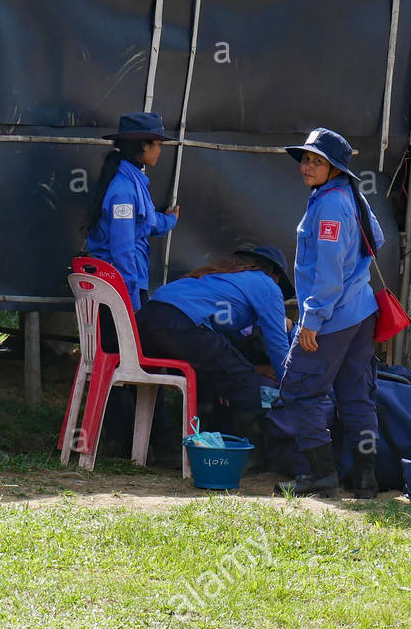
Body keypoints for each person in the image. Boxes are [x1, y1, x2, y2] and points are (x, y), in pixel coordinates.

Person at [269, 128, 383, 499]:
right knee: (355, 394)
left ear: (335, 167)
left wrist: (311, 320)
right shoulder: (349, 194)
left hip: (333, 316)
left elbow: (329, 271)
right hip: (362, 310)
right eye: (305, 158)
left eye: (318, 161)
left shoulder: (330, 204)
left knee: (301, 390)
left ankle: (320, 475)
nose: (307, 166)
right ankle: (365, 479)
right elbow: (375, 240)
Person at [136, 245, 292, 442]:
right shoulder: (267, 285)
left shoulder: (218, 278)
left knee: (200, 380)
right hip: (179, 323)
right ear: (275, 276)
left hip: (147, 320)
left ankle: (168, 447)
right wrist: (293, 388)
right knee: (244, 382)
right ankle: (242, 454)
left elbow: (219, 342)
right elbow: (278, 346)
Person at [84, 111, 180, 312]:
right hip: (118, 288)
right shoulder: (124, 191)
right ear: (144, 146)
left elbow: (147, 224)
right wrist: (131, 303)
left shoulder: (131, 182)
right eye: (158, 145)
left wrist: (170, 220)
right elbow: (122, 249)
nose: (160, 151)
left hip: (123, 284)